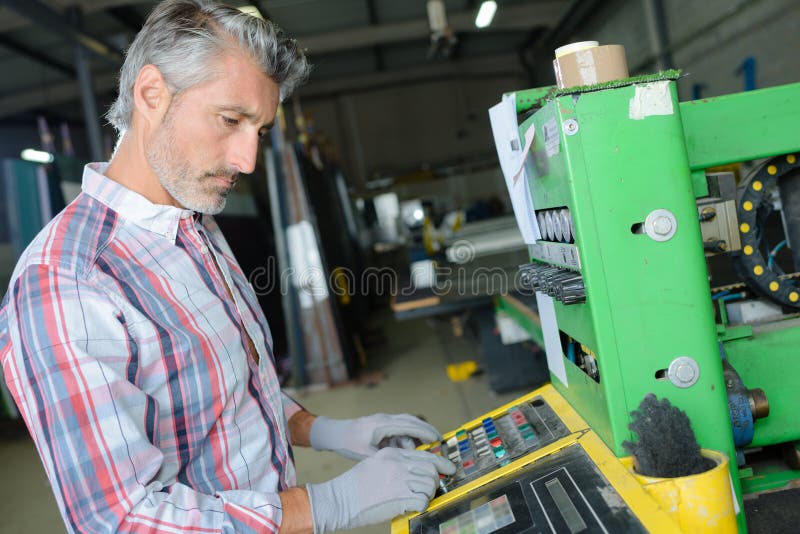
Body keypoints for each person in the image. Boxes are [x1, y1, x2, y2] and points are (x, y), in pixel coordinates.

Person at [0, 1, 455, 533]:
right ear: (151, 94)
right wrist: (326, 504)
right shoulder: (66, 284)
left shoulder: (196, 225)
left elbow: (229, 390)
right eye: (231, 120)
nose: (247, 159)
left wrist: (326, 430)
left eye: (258, 130)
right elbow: (122, 519)